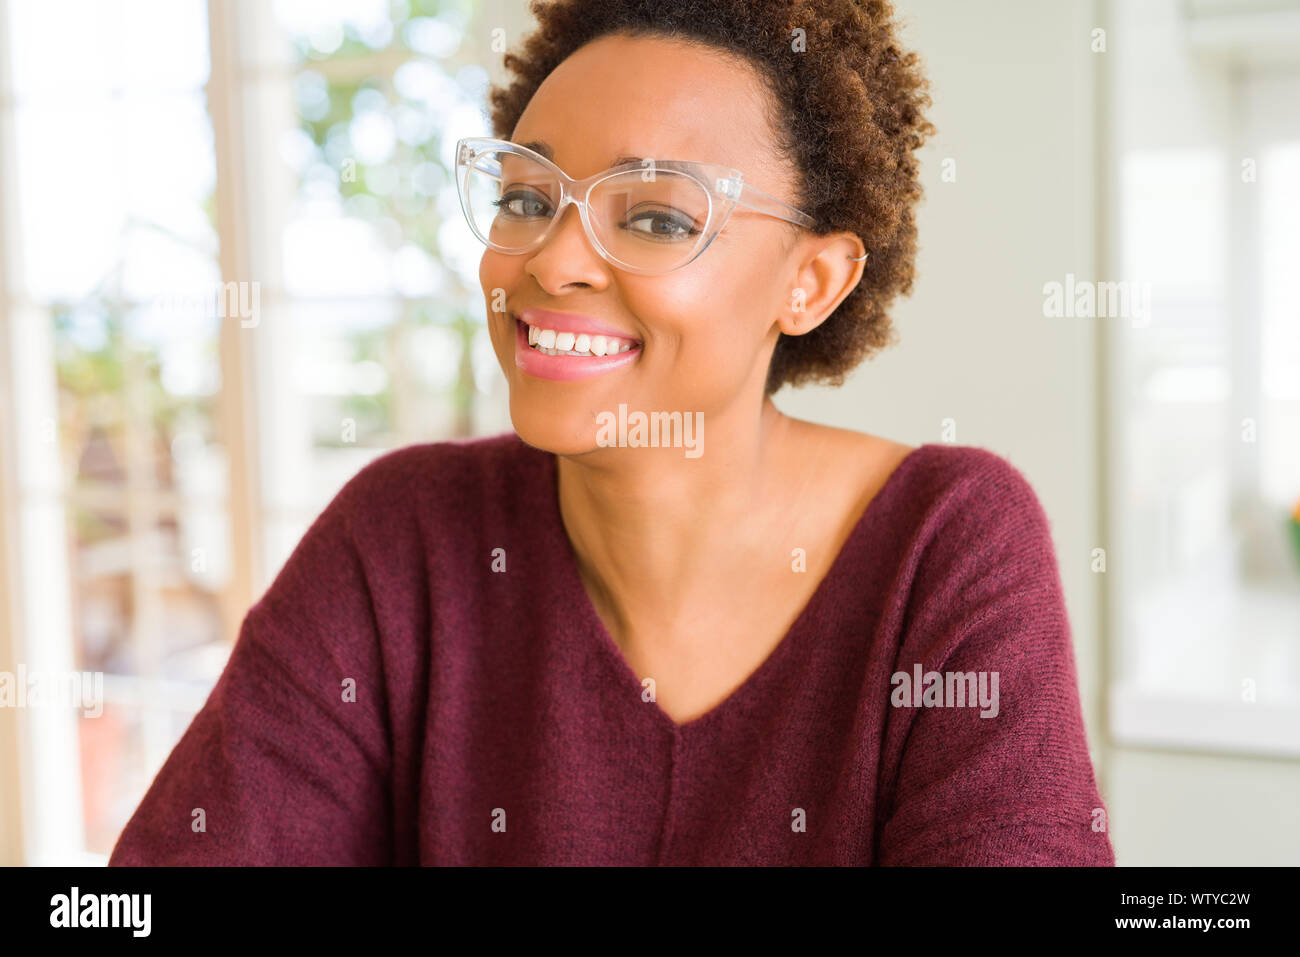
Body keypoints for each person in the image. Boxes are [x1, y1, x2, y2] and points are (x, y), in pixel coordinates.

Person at [109, 0, 1114, 865]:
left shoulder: (944, 548)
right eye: (525, 198)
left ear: (810, 283)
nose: (553, 262)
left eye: (656, 219)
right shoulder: (403, 537)